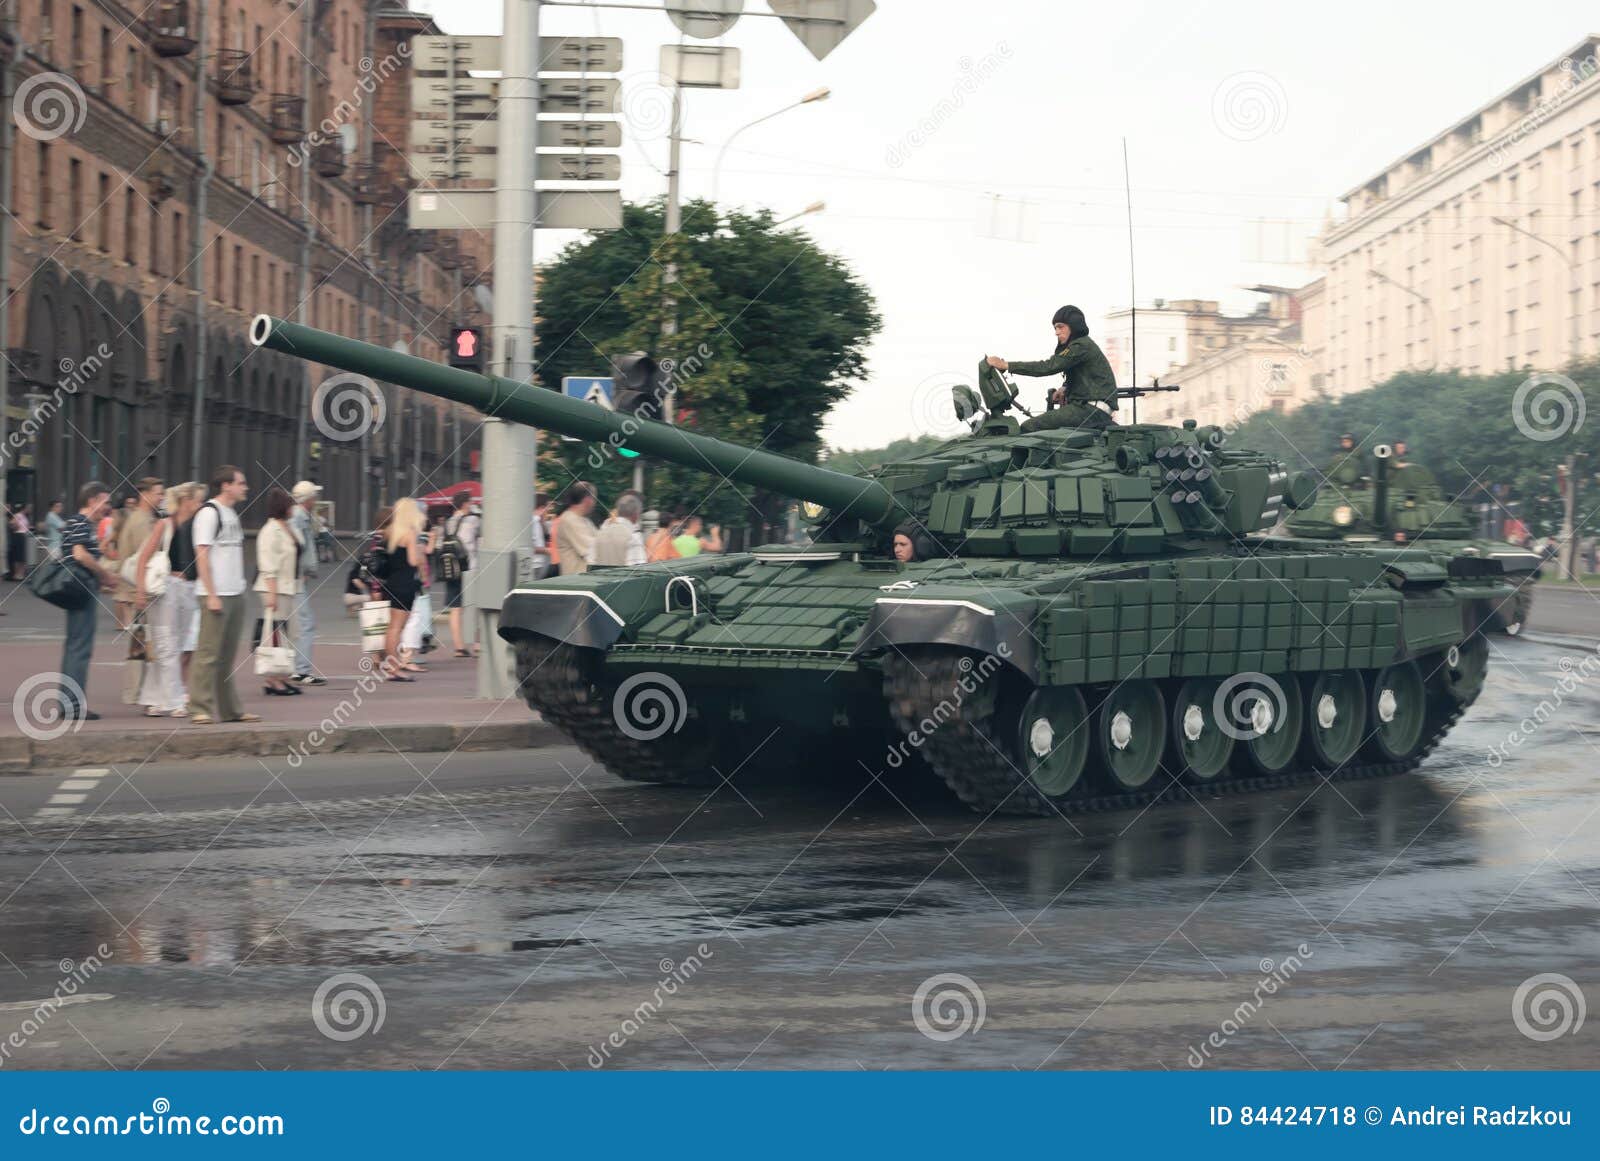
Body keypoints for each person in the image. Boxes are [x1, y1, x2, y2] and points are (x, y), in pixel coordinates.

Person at [188, 465, 258, 725]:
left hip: (235, 593)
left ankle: (231, 710)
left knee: (227, 657)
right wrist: (211, 594)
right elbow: (202, 556)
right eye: (241, 483)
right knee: (208, 654)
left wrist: (240, 589)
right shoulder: (209, 513)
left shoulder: (231, 513)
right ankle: (199, 708)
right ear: (226, 485)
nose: (245, 487)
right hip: (216, 594)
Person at [985, 305, 1118, 433]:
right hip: (1089, 408)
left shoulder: (1080, 345)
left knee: (1029, 427)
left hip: (1090, 410)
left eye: (1061, 327)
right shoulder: (1081, 345)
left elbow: (1048, 367)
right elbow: (1084, 374)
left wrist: (1006, 365)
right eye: (1055, 328)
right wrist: (1065, 388)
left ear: (1074, 326)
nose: (1056, 332)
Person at [134, 481, 204, 717]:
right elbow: (143, 558)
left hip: (190, 589)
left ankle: (153, 699)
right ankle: (175, 701)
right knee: (166, 645)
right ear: (186, 501)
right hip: (166, 588)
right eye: (198, 500)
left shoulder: (199, 527)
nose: (201, 505)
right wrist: (140, 591)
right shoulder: (165, 525)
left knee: (176, 645)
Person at [58, 482, 120, 721]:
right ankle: (73, 706)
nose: (108, 507)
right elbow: (80, 554)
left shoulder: (79, 523)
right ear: (92, 500)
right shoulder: (80, 522)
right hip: (82, 590)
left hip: (79, 588)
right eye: (105, 501)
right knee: (80, 648)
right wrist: (105, 575)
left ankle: (68, 703)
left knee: (74, 646)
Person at [255, 486, 304, 698]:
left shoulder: (288, 527)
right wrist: (272, 593)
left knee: (291, 633)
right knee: (275, 634)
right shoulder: (270, 531)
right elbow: (267, 563)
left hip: (289, 587)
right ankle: (272, 679)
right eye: (291, 504)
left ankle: (283, 675)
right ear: (283, 506)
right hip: (275, 588)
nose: (294, 508)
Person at [378, 497, 426, 681]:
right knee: (397, 628)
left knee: (392, 627)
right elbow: (413, 561)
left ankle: (390, 665)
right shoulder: (410, 533)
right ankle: (393, 668)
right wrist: (420, 552)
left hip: (391, 583)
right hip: (405, 584)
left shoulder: (391, 532)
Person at [287, 481, 326, 685]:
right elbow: (295, 546)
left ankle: (295, 668)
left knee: (296, 623)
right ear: (309, 498)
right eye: (314, 496)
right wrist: (300, 572)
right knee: (305, 624)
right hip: (294, 579)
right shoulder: (298, 517)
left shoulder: (302, 516)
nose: (316, 500)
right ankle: (301, 670)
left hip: (296, 577)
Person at [444, 490, 480, 658]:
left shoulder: (448, 522)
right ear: (465, 504)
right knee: (475, 606)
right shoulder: (473, 520)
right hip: (470, 568)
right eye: (470, 502)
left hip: (451, 569)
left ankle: (459, 647)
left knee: (455, 608)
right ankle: (477, 644)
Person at [590, 491, 647, 567]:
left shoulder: (599, 534)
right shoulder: (634, 536)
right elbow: (639, 568)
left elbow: (590, 563)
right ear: (636, 515)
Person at [556, 482, 598, 576]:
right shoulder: (570, 520)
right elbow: (593, 549)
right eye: (594, 499)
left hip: (582, 579)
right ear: (588, 500)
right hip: (575, 581)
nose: (595, 503)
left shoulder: (585, 520)